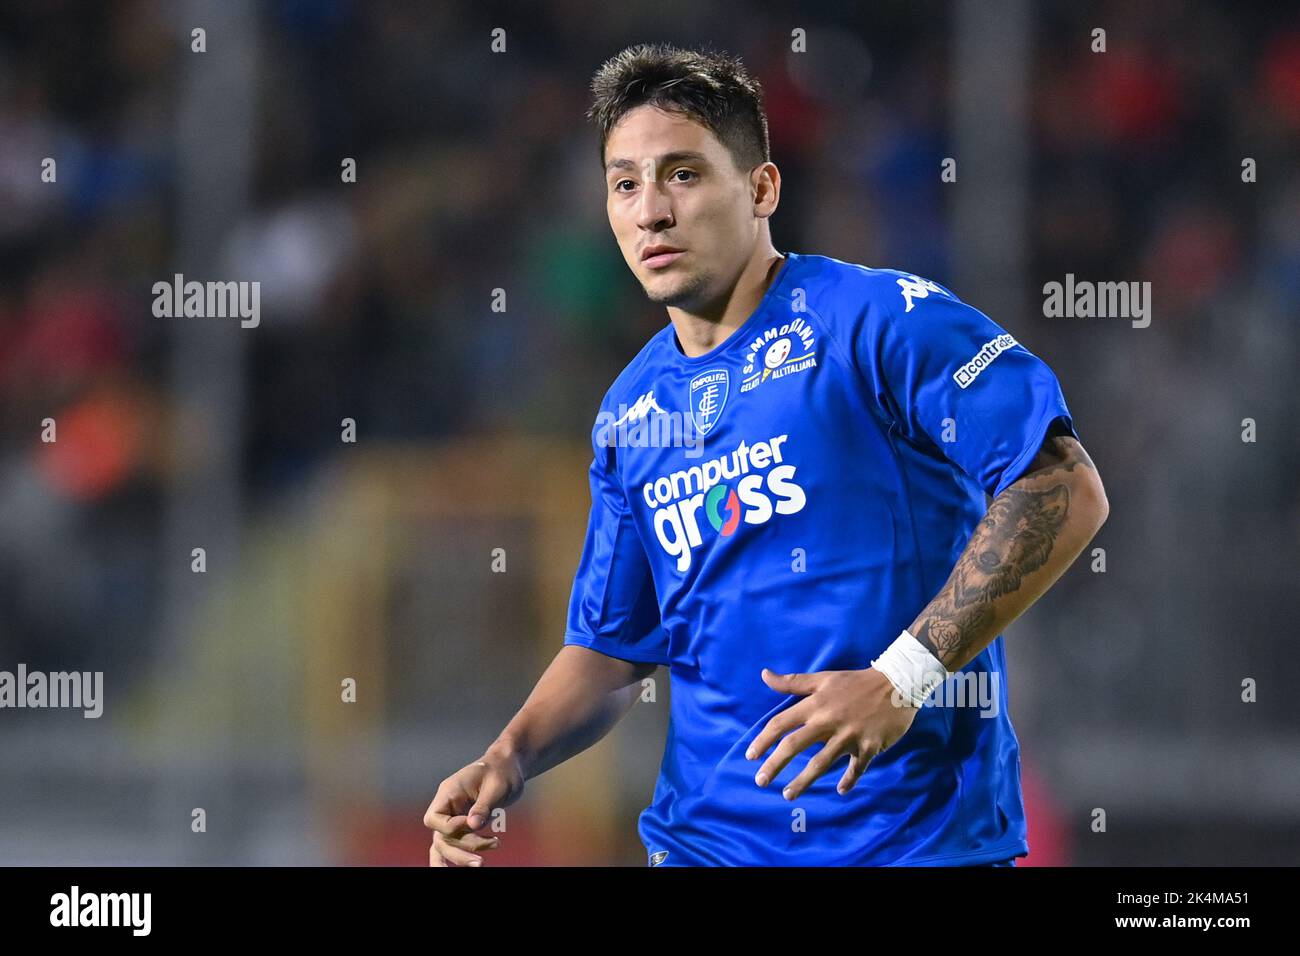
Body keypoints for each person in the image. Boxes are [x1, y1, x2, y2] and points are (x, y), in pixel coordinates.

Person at [424, 42, 1108, 867]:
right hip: (702, 847)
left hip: (912, 847)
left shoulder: (877, 321)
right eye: (625, 183)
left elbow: (1063, 486)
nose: (651, 212)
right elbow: (613, 650)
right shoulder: (630, 412)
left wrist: (904, 677)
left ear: (761, 188)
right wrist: (511, 755)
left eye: (682, 174)